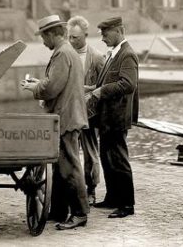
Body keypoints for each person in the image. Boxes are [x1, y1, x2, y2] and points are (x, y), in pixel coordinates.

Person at [21, 14, 90, 230]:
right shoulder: (67, 52)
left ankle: (80, 213)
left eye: (44, 37)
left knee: (70, 166)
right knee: (59, 167)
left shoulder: (62, 54)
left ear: (52, 34)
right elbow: (55, 84)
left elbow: (51, 88)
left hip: (66, 118)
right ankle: (59, 210)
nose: (43, 42)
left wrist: (34, 87)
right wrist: (40, 83)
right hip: (67, 116)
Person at [87, 16, 139, 219]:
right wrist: (92, 88)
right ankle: (112, 198)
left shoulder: (127, 54)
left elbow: (128, 84)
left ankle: (127, 204)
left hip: (117, 117)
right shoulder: (113, 54)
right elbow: (108, 82)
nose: (102, 38)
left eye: (105, 33)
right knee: (107, 157)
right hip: (107, 117)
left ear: (119, 31)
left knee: (119, 159)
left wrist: (101, 91)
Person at [67, 15, 106, 206]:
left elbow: (104, 86)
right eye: (70, 37)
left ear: (86, 35)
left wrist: (90, 91)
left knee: (90, 153)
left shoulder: (97, 58)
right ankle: (73, 190)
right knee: (69, 153)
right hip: (69, 113)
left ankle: (91, 190)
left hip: (89, 115)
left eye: (75, 37)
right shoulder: (66, 54)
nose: (72, 41)